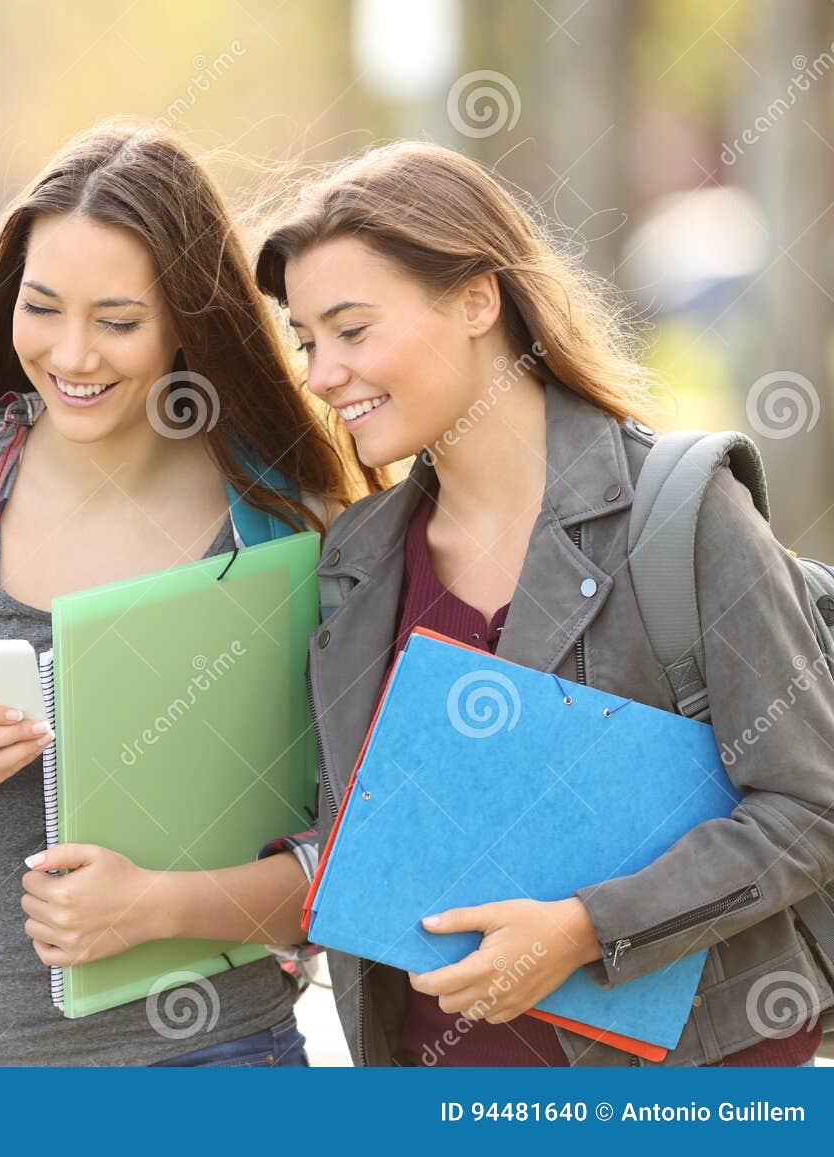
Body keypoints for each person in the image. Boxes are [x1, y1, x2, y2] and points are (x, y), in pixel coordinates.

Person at [256, 140, 834, 1066]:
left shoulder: (683, 513)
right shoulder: (357, 559)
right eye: (307, 341)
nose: (322, 374)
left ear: (479, 299)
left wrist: (584, 928)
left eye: (352, 331)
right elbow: (361, 828)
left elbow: (811, 807)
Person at [0, 122, 370, 1066]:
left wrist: (157, 907)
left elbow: (347, 860)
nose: (73, 355)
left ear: (187, 320)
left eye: (118, 321)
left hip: (217, 1061)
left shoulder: (287, 526)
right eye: (43, 309)